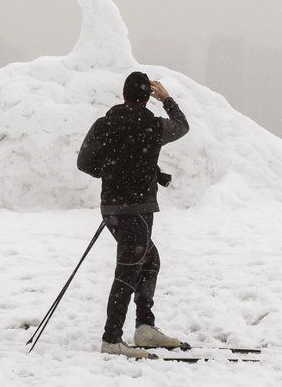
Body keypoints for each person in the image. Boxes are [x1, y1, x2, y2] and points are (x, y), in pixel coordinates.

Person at [77, 71, 190, 359]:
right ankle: (112, 338)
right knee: (129, 268)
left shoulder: (104, 124)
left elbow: (84, 162)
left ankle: (144, 328)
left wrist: (112, 174)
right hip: (137, 210)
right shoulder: (153, 126)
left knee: (149, 260)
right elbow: (182, 126)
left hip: (112, 209)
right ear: (146, 97)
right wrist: (167, 100)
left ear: (125, 95)